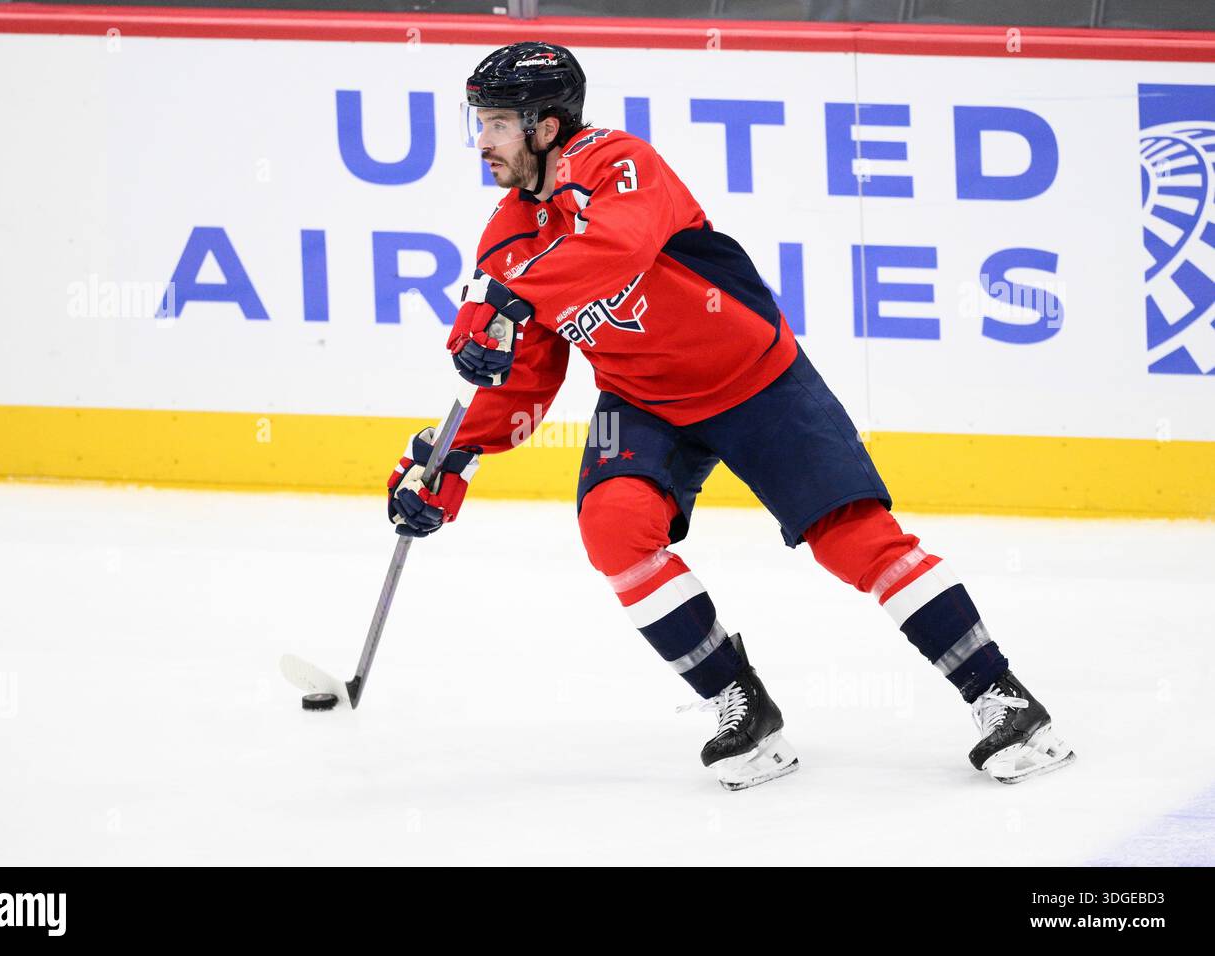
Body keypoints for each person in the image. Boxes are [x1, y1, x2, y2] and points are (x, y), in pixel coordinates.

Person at [386, 41, 1075, 790]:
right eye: (478, 124)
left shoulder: (617, 161)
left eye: (494, 124)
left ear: (546, 127)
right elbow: (523, 379)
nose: (481, 143)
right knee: (614, 530)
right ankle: (739, 704)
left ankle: (1003, 698)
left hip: (755, 377)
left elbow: (616, 247)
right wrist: (451, 454)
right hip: (641, 400)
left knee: (855, 541)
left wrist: (513, 295)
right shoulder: (508, 237)